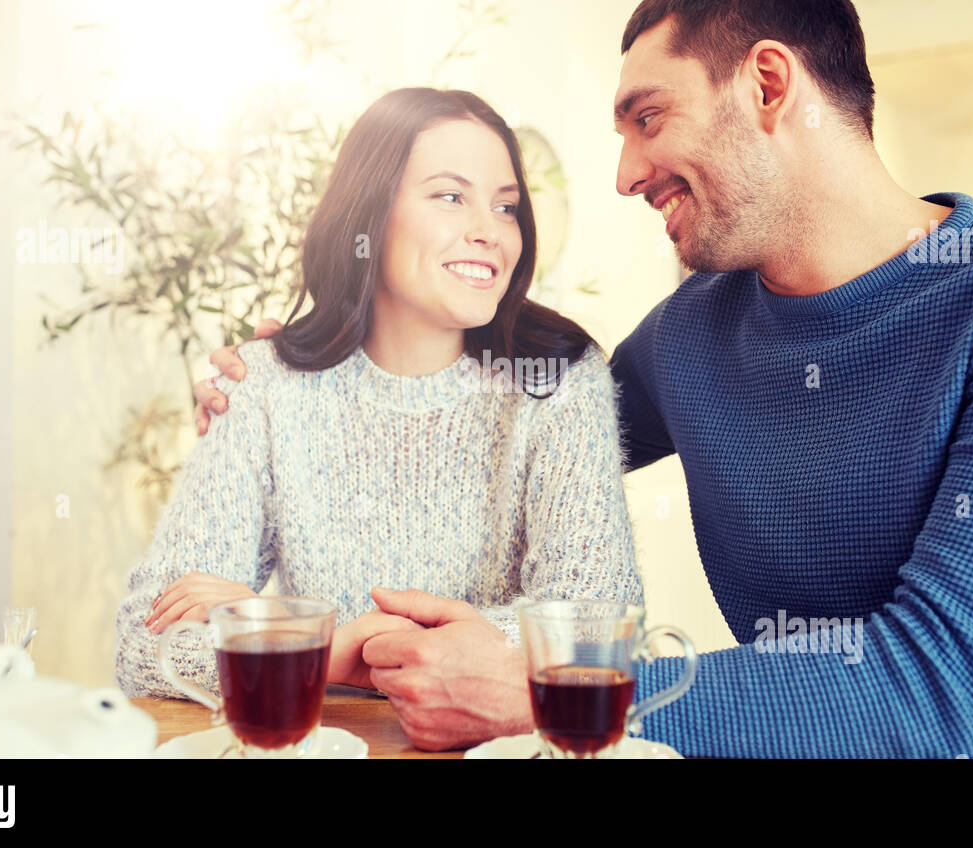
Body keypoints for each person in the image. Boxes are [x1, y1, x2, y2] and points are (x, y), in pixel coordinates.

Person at [196, 0, 973, 757]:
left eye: (647, 118)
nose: (625, 173)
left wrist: (552, 688)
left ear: (769, 84)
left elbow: (930, 688)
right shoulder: (691, 334)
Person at [114, 87, 643, 711]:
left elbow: (593, 629)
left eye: (505, 207)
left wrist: (285, 631)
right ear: (368, 213)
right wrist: (333, 649)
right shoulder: (261, 386)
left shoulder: (558, 379)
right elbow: (143, 645)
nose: (489, 233)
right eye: (450, 196)